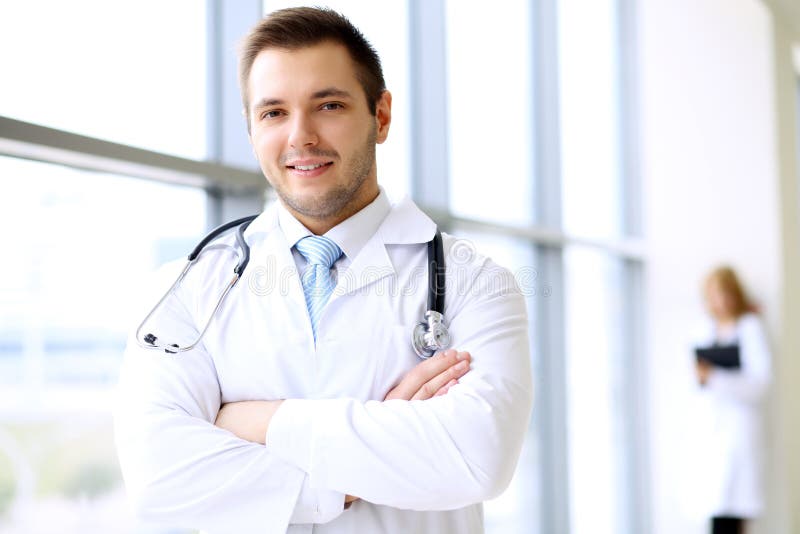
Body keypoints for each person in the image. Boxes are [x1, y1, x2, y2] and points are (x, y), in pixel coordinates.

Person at [114, 7, 533, 534]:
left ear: (380, 116)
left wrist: (258, 420)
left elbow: (478, 458)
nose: (301, 136)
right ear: (250, 129)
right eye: (273, 113)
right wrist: (369, 459)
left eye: (328, 105)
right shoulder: (186, 286)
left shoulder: (477, 283)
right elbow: (162, 481)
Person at [692, 266, 771, 534]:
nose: (721, 301)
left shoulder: (749, 327)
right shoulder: (703, 329)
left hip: (740, 429)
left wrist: (716, 377)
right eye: (714, 294)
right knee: (715, 508)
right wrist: (706, 378)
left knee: (735, 512)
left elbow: (759, 383)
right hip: (712, 429)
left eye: (725, 293)